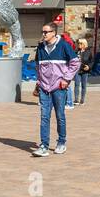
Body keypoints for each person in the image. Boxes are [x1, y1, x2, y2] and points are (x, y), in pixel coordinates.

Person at [32, 22, 81, 157]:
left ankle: (61, 142)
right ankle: (44, 146)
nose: (44, 34)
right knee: (44, 117)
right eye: (43, 32)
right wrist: (38, 82)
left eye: (46, 32)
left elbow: (75, 63)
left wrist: (66, 79)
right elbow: (38, 66)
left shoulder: (64, 46)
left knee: (60, 116)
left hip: (59, 88)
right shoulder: (40, 47)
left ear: (54, 33)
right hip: (44, 88)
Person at [69, 37, 92, 109]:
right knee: (76, 84)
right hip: (77, 71)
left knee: (84, 85)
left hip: (85, 71)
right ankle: (76, 100)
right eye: (78, 43)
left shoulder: (88, 52)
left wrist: (89, 66)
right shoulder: (75, 52)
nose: (78, 45)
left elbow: (92, 61)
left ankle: (82, 100)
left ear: (84, 44)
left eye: (80, 43)